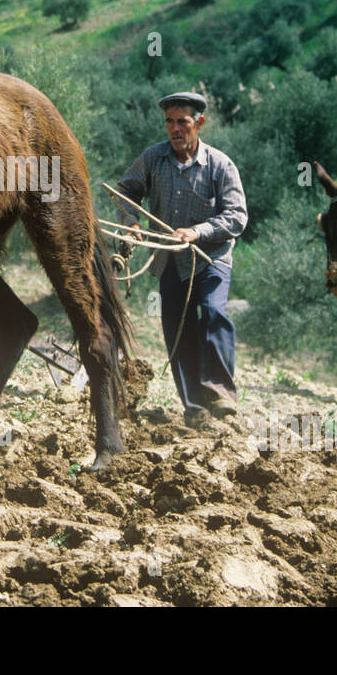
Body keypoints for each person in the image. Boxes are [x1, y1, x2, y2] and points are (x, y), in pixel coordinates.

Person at [115, 92, 248, 428]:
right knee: (177, 332)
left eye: (182, 122)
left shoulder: (220, 165)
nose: (175, 129)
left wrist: (199, 231)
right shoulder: (152, 159)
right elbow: (125, 191)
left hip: (210, 258)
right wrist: (131, 222)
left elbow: (237, 217)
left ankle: (221, 395)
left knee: (213, 312)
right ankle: (194, 407)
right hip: (169, 261)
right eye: (169, 122)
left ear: (199, 123)